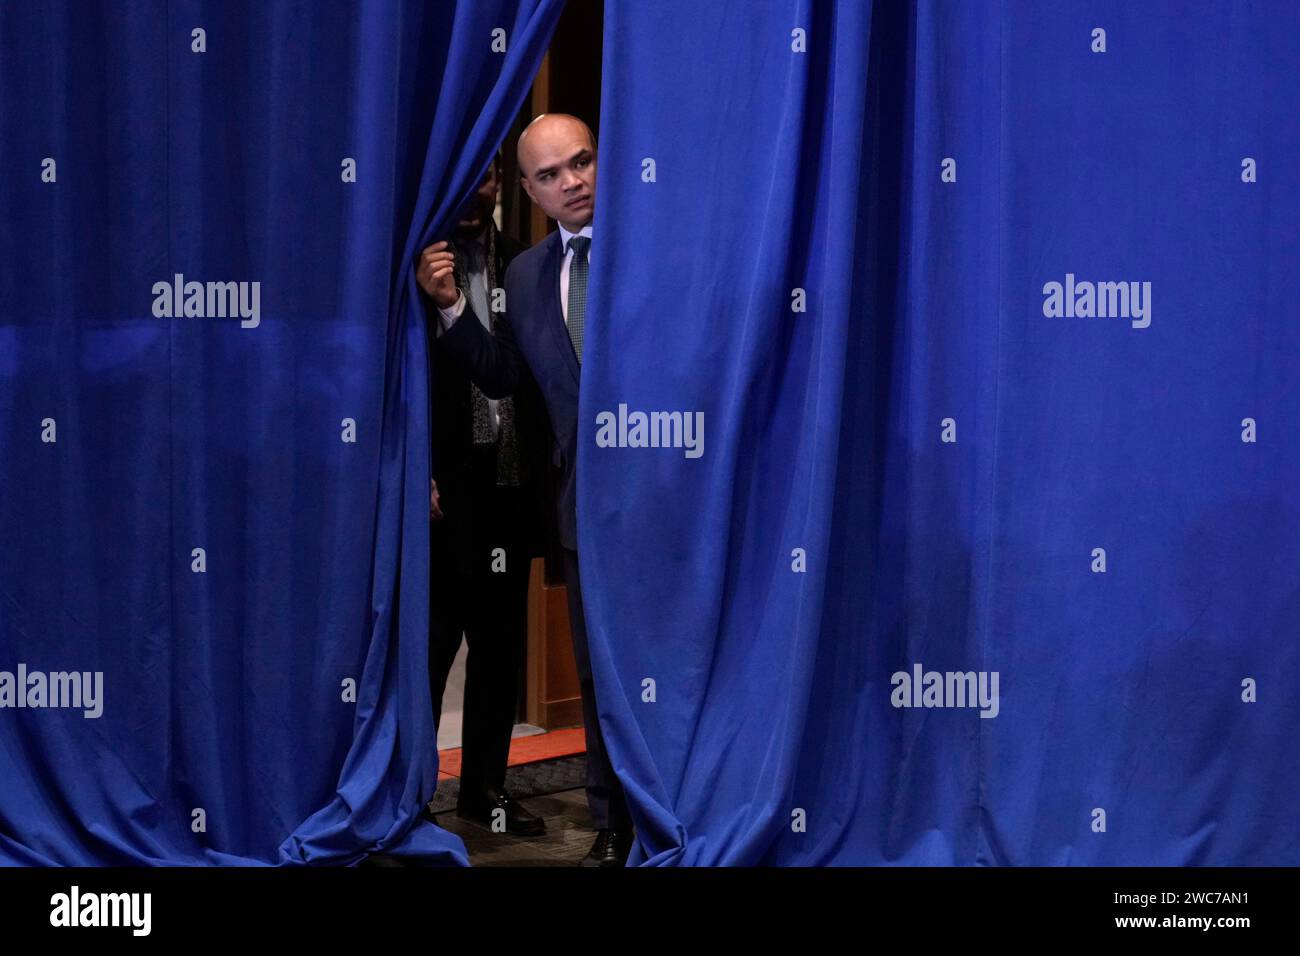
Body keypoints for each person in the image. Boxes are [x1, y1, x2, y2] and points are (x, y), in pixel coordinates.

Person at [416, 114, 633, 867]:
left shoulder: (653, 249)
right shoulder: (528, 275)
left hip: (668, 504)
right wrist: (447, 306)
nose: (572, 182)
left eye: (583, 163)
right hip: (566, 511)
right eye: (551, 174)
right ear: (535, 191)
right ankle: (611, 824)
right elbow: (505, 376)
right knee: (592, 672)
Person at [422, 153, 551, 837]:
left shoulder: (522, 262)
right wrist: (416, 470)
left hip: (510, 485)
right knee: (432, 653)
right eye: (464, 174)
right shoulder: (414, 268)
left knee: (500, 653)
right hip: (445, 492)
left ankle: (486, 791)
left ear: (503, 185)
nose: (477, 191)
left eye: (489, 177)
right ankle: (410, 796)